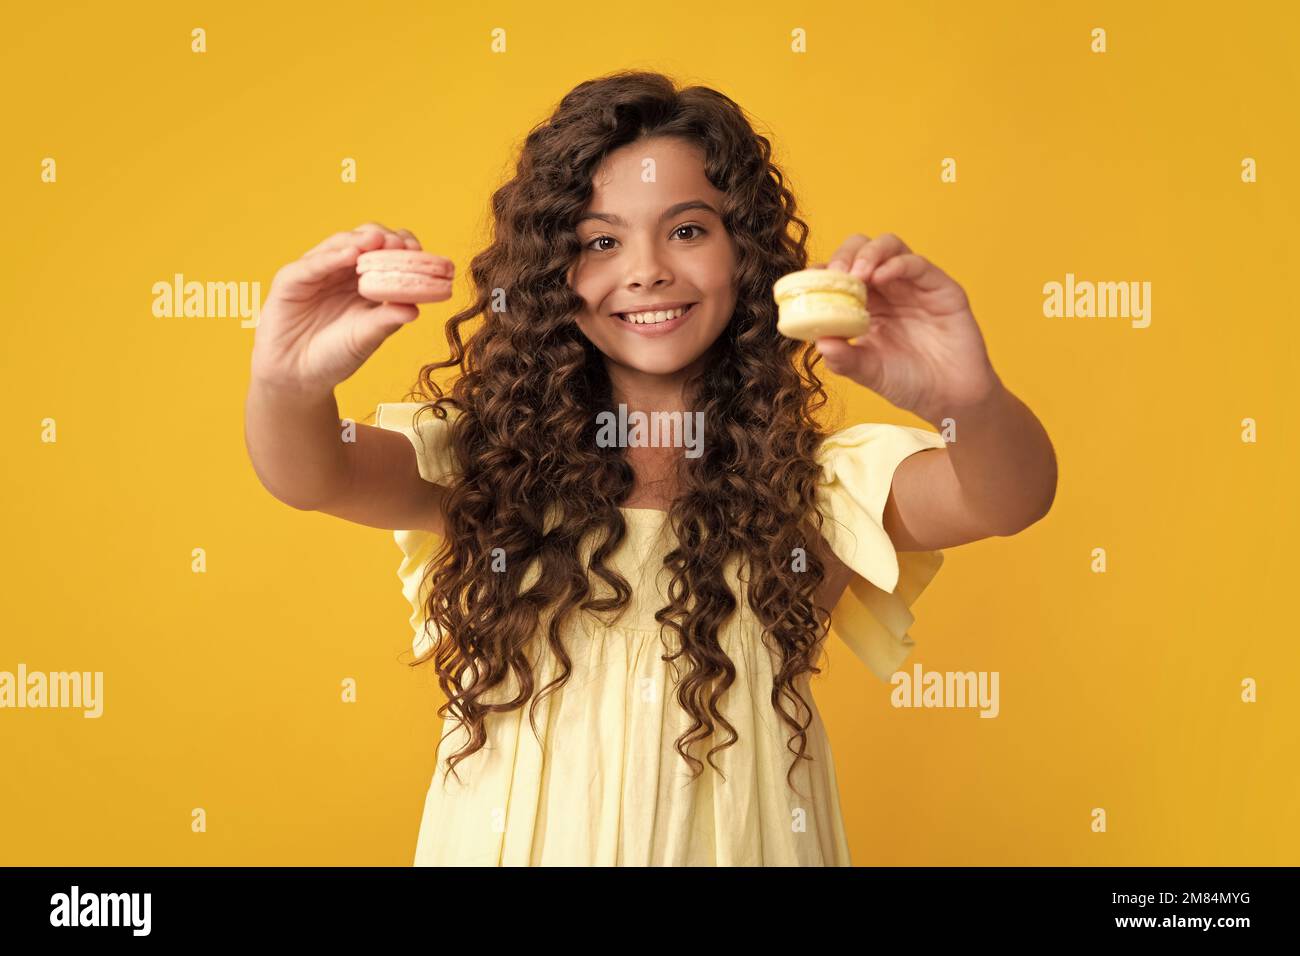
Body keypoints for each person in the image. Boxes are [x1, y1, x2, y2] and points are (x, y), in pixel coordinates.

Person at [244, 70, 1057, 866]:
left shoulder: (811, 486)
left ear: (747, 255)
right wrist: (288, 381)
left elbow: (1008, 497)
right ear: (551, 275)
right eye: (600, 241)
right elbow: (313, 474)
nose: (646, 270)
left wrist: (968, 397)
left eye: (688, 229)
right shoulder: (491, 467)